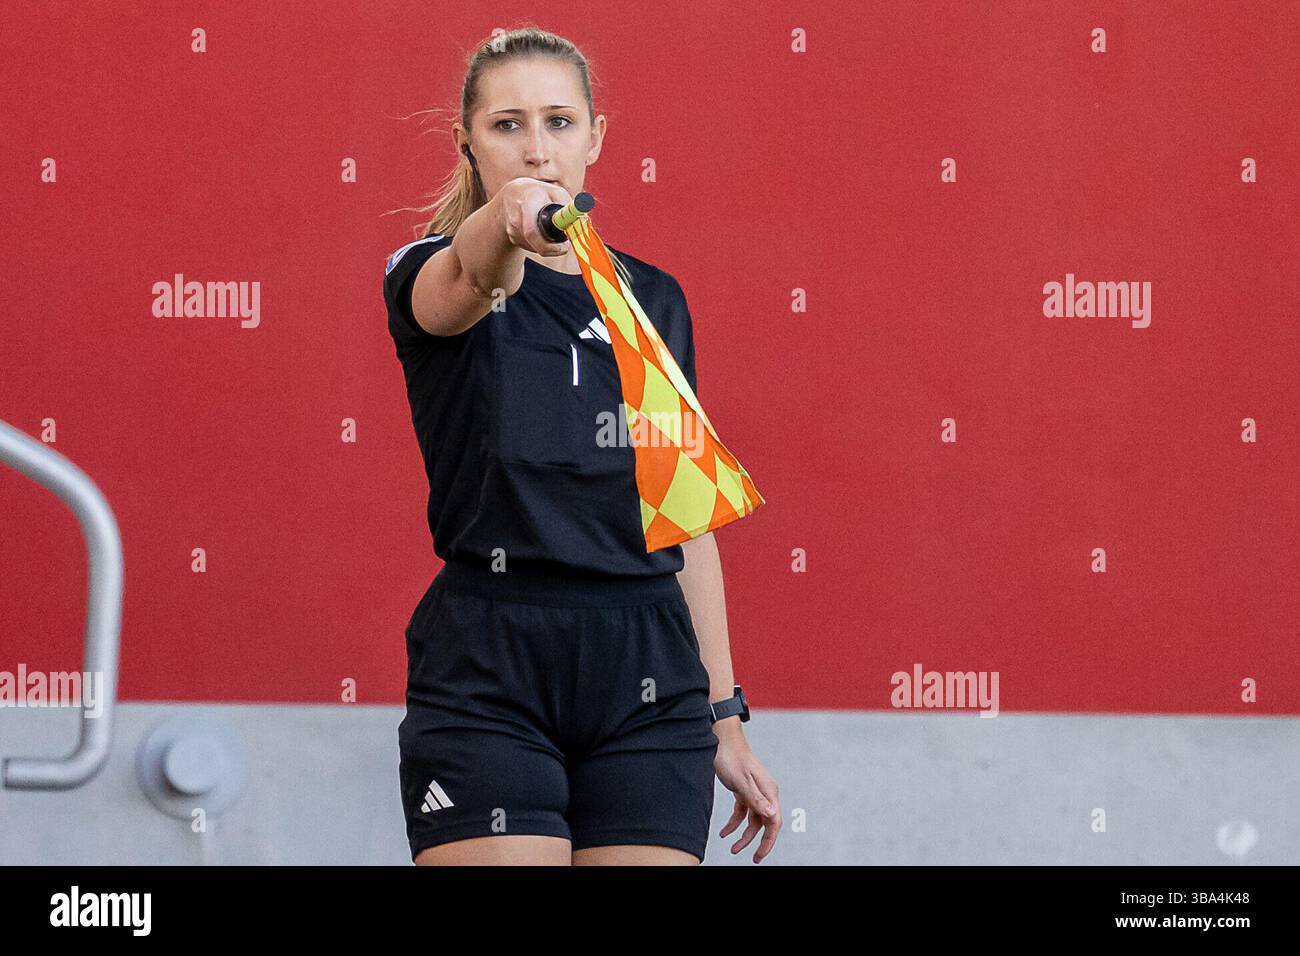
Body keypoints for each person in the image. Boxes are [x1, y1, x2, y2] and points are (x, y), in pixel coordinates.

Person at [383, 26, 780, 865]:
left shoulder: (654, 299)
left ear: (596, 139)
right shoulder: (429, 268)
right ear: (468, 141)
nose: (536, 146)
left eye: (560, 122)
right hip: (489, 663)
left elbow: (685, 514)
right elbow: (470, 281)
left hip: (646, 668)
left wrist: (725, 716)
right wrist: (505, 220)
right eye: (507, 124)